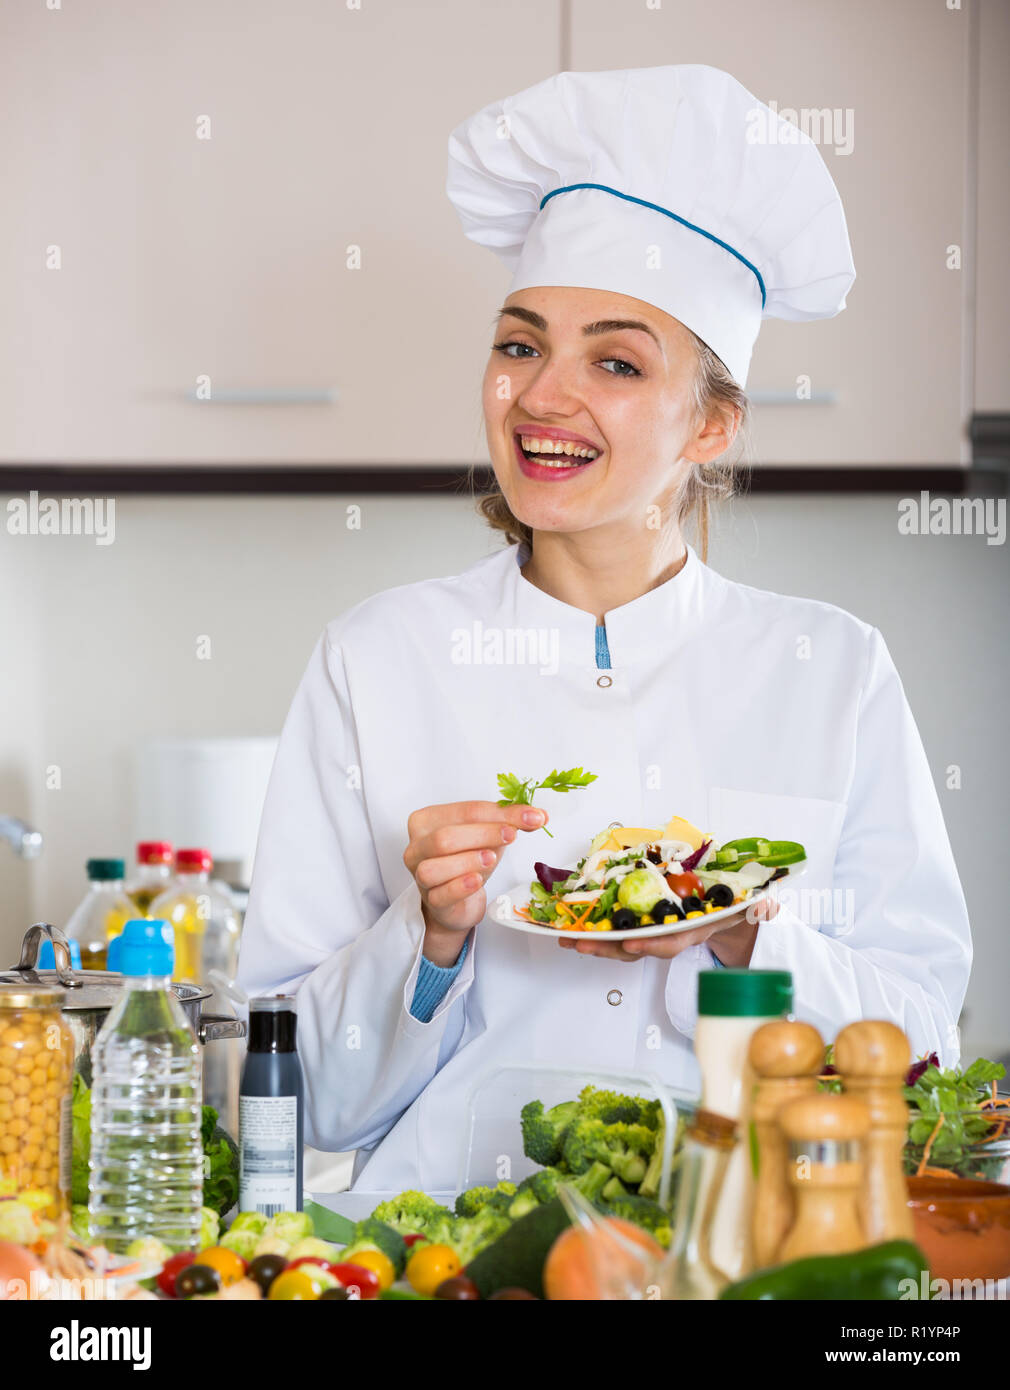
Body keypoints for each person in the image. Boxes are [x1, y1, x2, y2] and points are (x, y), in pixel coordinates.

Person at [237, 65, 971, 1193]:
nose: (539, 396)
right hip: (438, 1255)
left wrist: (746, 940)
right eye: (519, 344)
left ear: (710, 424)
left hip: (735, 1253)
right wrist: (426, 937)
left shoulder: (831, 671)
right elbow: (279, 1100)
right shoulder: (375, 658)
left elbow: (926, 1055)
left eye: (615, 362)